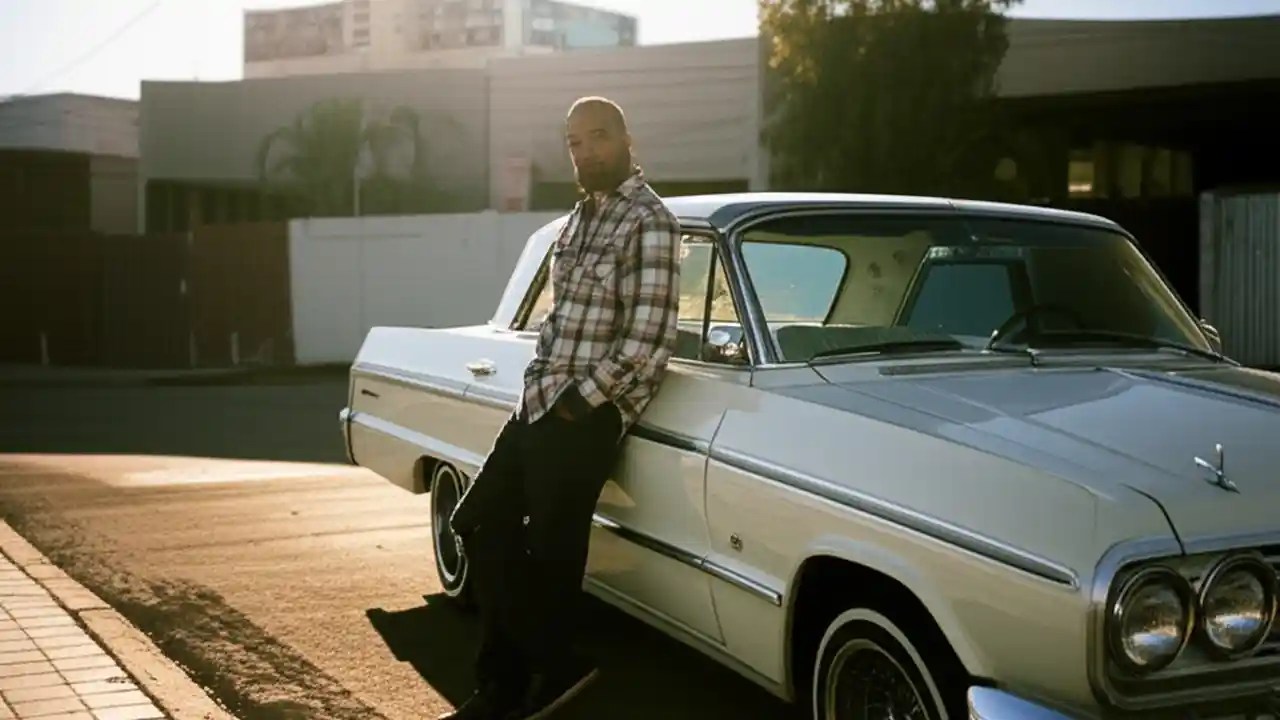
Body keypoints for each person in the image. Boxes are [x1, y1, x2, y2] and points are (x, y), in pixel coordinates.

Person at [441, 96, 682, 720]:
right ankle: (536, 667)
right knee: (477, 523)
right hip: (537, 403)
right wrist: (542, 388)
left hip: (585, 416)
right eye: (574, 142)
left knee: (551, 548)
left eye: (596, 137)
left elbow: (649, 339)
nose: (584, 152)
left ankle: (518, 685)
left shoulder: (648, 221)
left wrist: (581, 402)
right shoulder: (576, 220)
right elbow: (558, 322)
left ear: (627, 137)